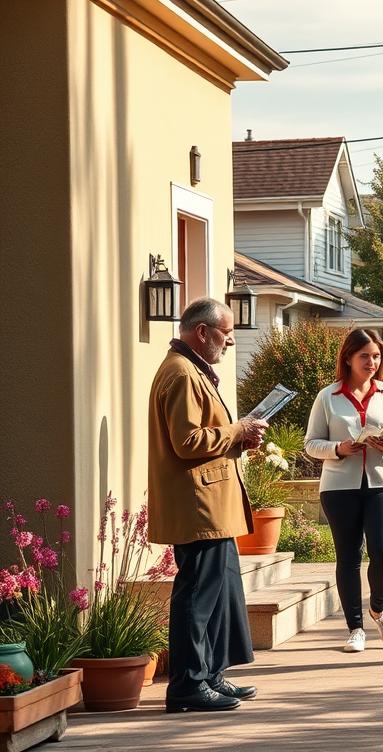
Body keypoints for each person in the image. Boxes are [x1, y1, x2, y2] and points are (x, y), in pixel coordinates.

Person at [148, 298, 266, 713]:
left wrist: (239, 437)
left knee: (218, 594)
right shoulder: (181, 373)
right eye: (226, 333)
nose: (231, 340)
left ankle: (210, 675)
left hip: (211, 506)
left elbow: (205, 436)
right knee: (197, 596)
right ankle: (187, 685)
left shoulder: (192, 369)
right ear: (202, 332)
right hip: (199, 507)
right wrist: (237, 430)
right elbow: (187, 441)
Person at [304, 329, 383, 653]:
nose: (372, 362)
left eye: (377, 356)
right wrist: (339, 448)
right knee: (348, 557)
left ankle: (378, 609)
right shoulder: (328, 397)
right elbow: (311, 443)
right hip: (340, 486)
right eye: (365, 355)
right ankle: (355, 629)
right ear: (349, 357)